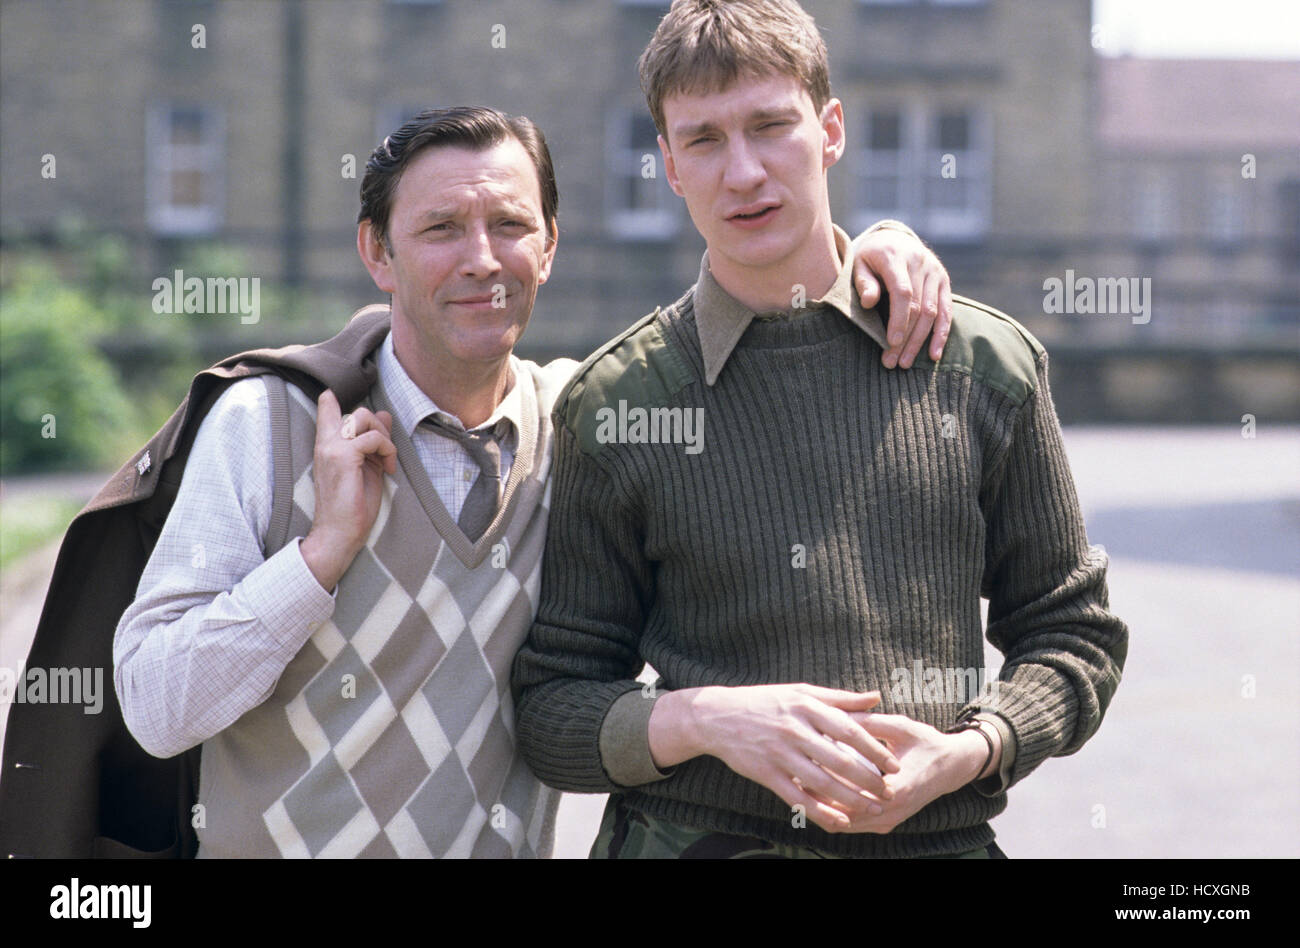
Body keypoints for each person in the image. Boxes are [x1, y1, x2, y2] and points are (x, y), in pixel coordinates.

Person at [110, 104, 953, 858]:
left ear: (550, 246)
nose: (482, 259)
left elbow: (752, 357)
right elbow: (156, 708)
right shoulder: (270, 425)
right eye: (441, 228)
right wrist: (320, 555)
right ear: (379, 251)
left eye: (510, 224)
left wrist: (870, 254)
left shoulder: (581, 423)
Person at [511, 0, 1129, 859]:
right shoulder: (618, 398)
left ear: (831, 128)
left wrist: (971, 750)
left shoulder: (983, 364)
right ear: (670, 167)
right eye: (704, 140)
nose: (745, 172)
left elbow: (1074, 633)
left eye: (771, 127)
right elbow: (551, 708)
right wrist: (702, 719)